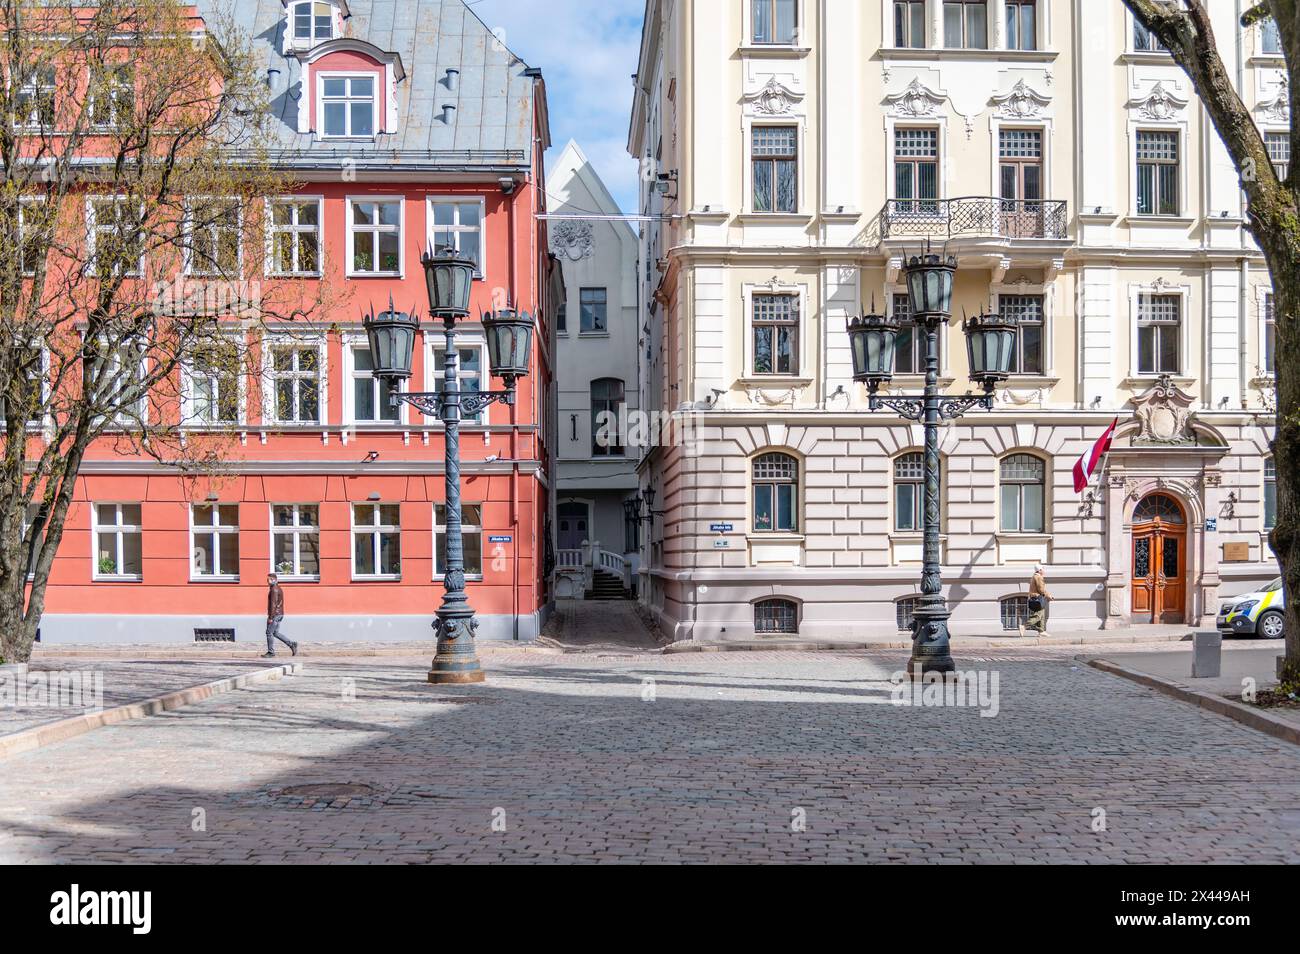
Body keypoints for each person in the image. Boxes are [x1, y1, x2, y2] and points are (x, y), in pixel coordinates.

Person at [263, 573, 299, 657]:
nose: (267, 581)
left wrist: (270, 617)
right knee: (275, 633)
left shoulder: (274, 589)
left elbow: (273, 604)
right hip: (279, 614)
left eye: (268, 579)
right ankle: (291, 644)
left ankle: (271, 652)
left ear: (273, 579)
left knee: (269, 632)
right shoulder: (277, 588)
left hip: (275, 614)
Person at [1023, 565, 1052, 636]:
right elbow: (1041, 589)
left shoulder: (1034, 576)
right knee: (1038, 615)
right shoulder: (1038, 577)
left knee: (1042, 614)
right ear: (1039, 570)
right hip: (1038, 598)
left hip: (1035, 597)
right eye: (1042, 569)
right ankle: (1024, 626)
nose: (1044, 571)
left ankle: (1041, 631)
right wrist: (1048, 596)